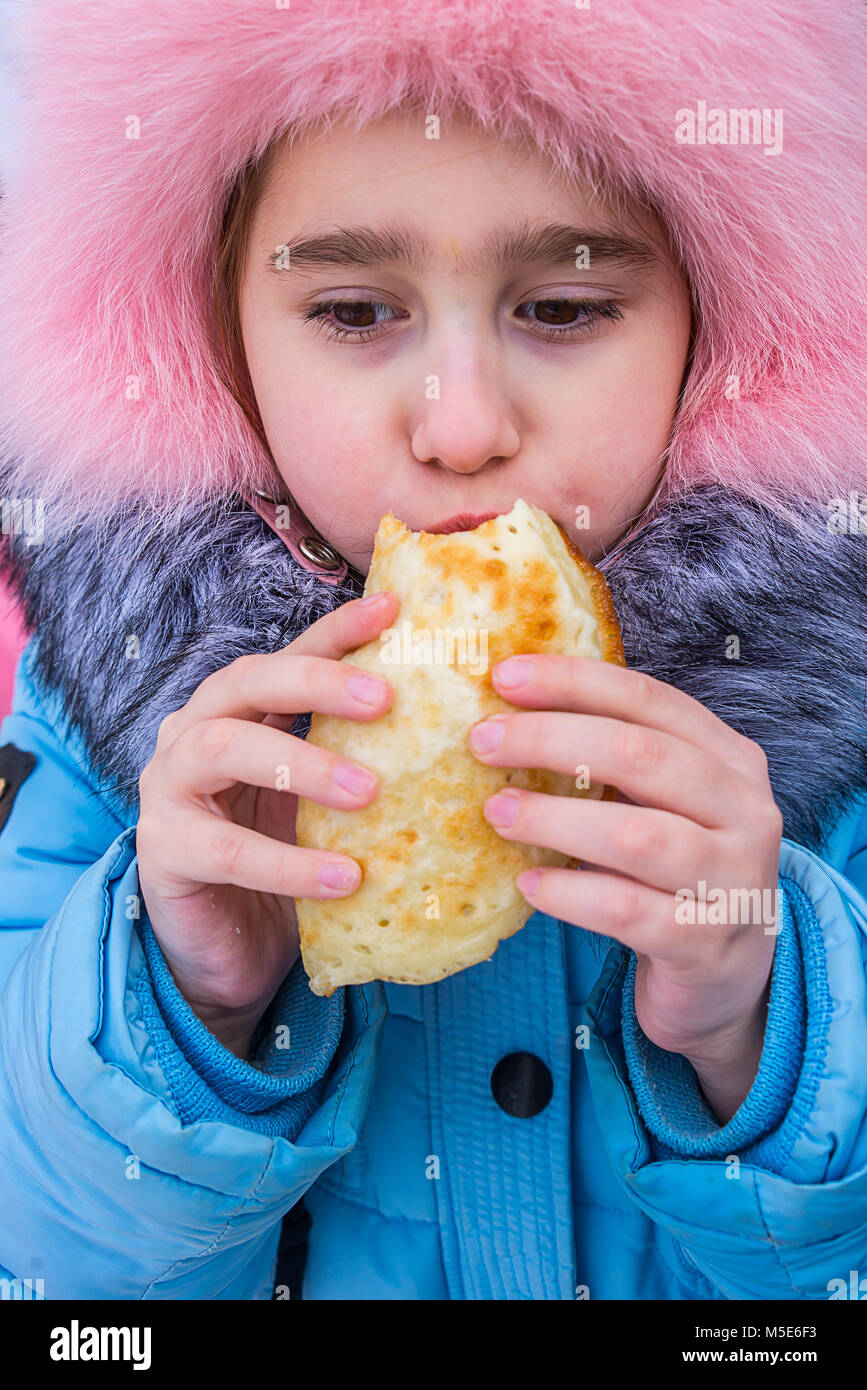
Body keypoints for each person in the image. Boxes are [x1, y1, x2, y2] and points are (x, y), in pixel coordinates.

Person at [0, 0, 865, 1301]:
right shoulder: (122, 749)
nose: (462, 428)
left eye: (567, 307)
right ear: (216, 344)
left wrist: (767, 1016)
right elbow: (59, 1280)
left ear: (723, 328)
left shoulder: (831, 720)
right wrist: (182, 1000)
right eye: (354, 312)